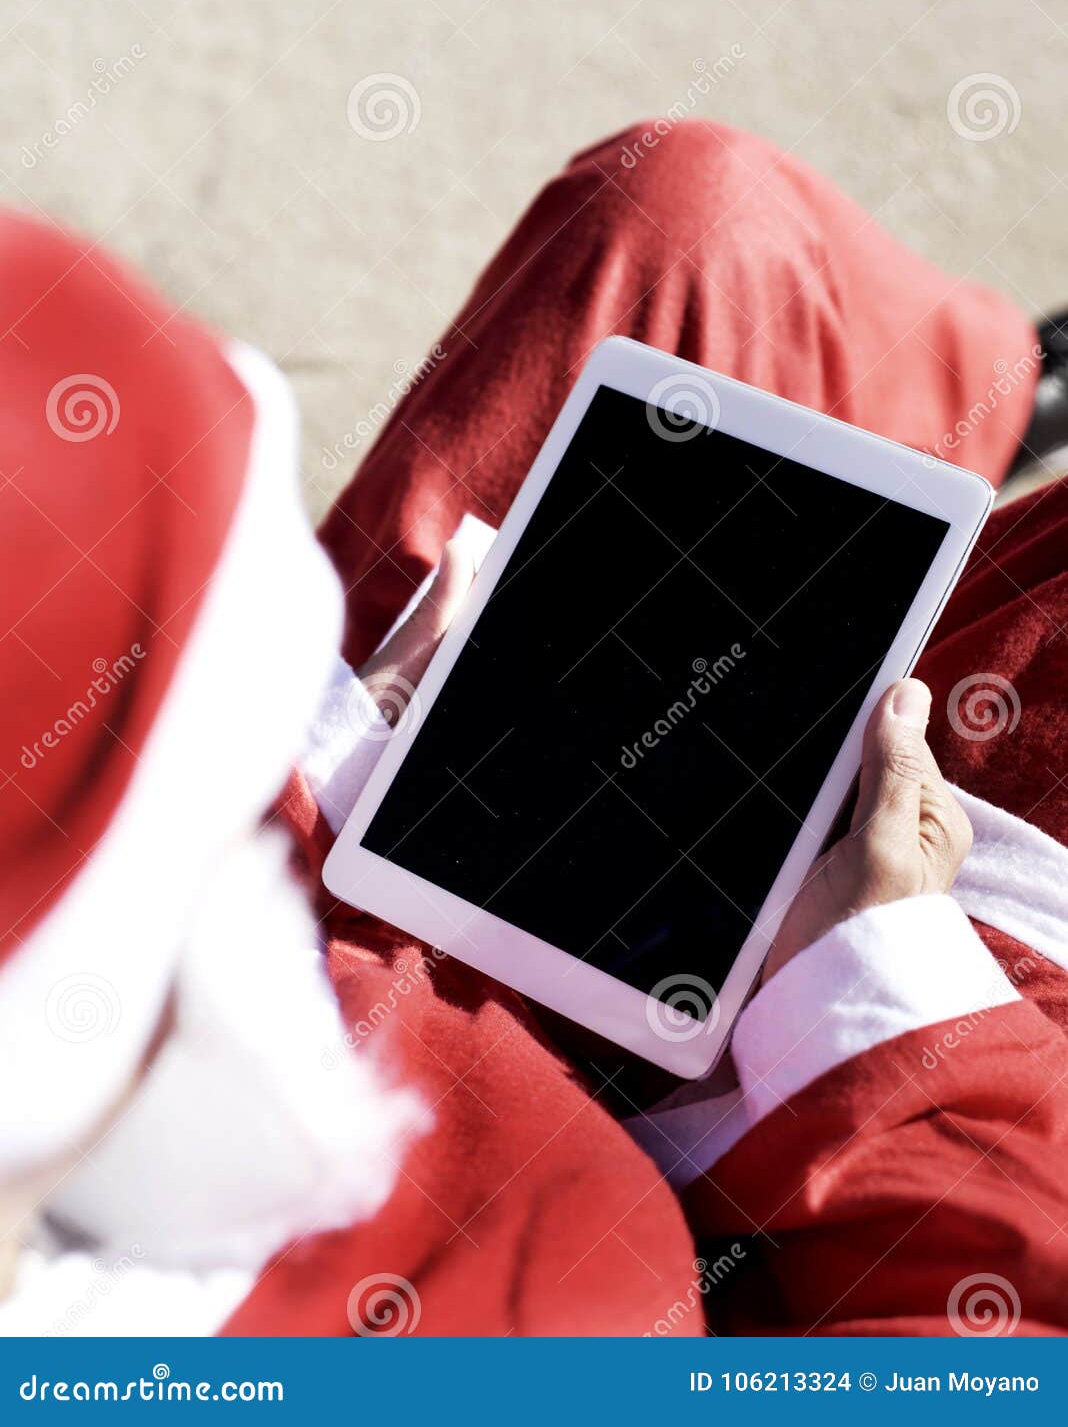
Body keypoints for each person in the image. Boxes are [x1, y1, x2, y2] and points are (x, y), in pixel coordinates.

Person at [0, 119, 1066, 1338]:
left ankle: (975, 389)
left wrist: (340, 749)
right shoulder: (543, 1315)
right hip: (794, 1150)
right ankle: (964, 419)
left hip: (373, 866)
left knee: (687, 215)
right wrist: (885, 984)